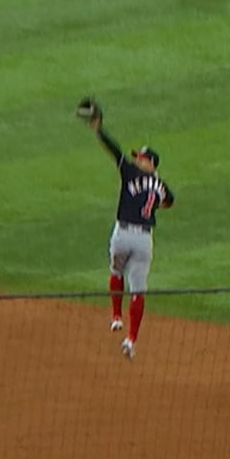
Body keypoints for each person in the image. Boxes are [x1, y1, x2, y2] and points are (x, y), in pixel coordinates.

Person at [80, 98, 176, 360]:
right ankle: (129, 336)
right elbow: (169, 202)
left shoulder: (131, 173)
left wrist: (99, 130)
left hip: (123, 235)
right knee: (138, 289)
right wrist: (152, 206)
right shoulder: (162, 186)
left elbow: (114, 150)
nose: (138, 160)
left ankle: (116, 318)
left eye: (142, 158)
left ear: (150, 163)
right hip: (144, 239)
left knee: (117, 272)